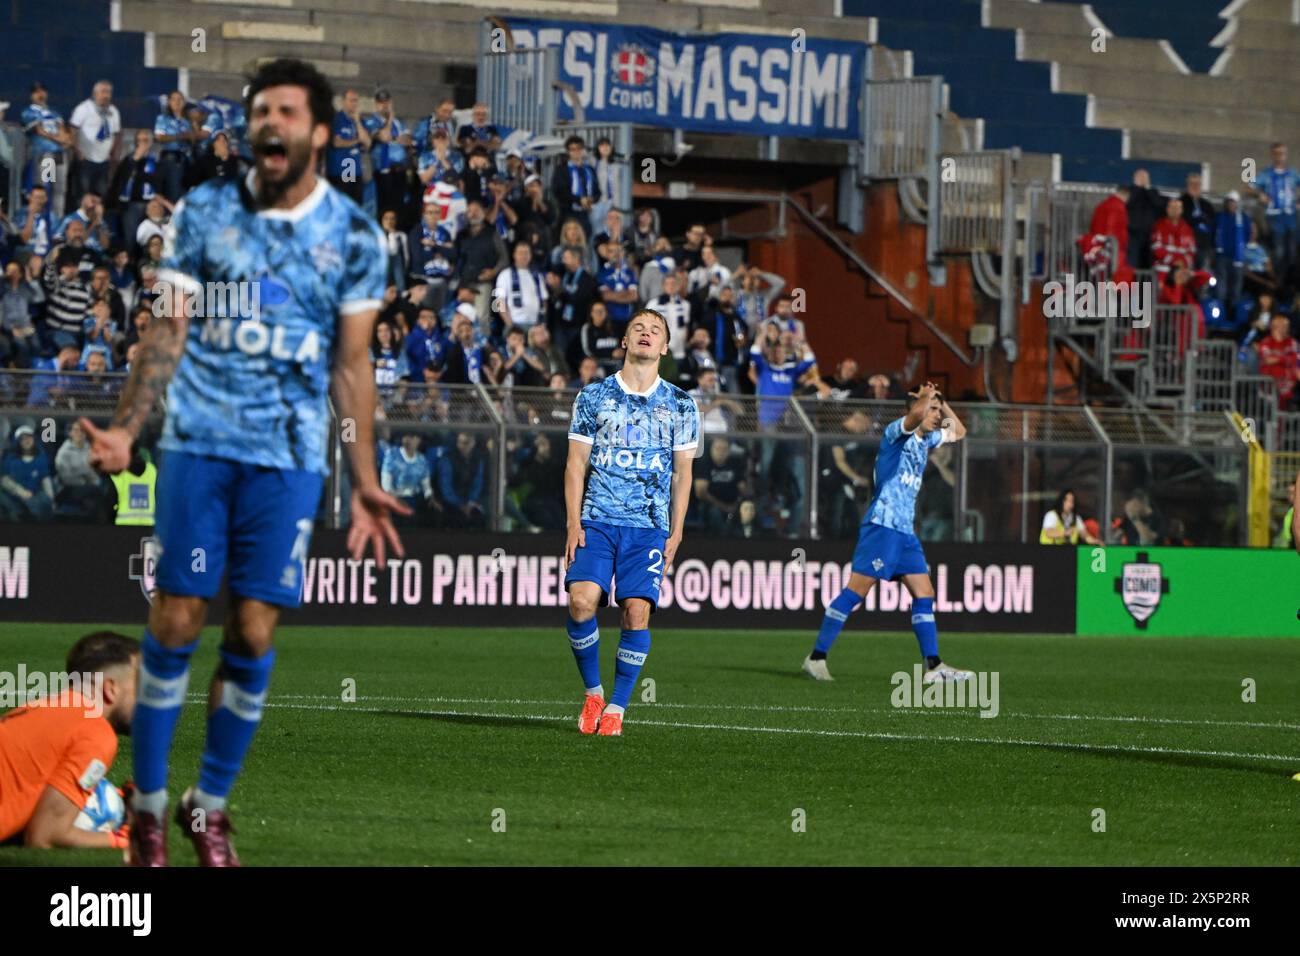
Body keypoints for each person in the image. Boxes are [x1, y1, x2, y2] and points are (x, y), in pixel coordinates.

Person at [78, 58, 410, 868]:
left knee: (255, 631)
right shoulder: (204, 215)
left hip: (290, 457)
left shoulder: (356, 237)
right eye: (261, 109)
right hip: (199, 442)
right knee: (178, 617)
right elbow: (165, 329)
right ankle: (149, 807)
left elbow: (352, 364)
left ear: (319, 132)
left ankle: (208, 805)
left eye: (287, 111)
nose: (270, 122)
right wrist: (128, 429)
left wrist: (365, 479)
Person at [563, 308, 699, 736]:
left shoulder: (680, 404)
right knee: (581, 602)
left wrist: (677, 530)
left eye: (655, 330)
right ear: (624, 342)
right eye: (638, 328)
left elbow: (683, 473)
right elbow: (574, 465)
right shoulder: (592, 397)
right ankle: (593, 694)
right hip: (597, 519)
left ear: (664, 347)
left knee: (636, 611)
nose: (646, 333)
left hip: (649, 525)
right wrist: (572, 522)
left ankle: (618, 708)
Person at [803, 383, 973, 684]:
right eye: (931, 410)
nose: (935, 415)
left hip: (904, 531)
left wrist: (942, 401)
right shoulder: (896, 434)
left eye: (936, 410)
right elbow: (917, 412)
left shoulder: (926, 441)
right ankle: (816, 657)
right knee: (856, 591)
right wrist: (926, 399)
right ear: (915, 409)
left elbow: (959, 431)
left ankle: (933, 665)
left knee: (925, 592)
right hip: (882, 525)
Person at [0, 631, 139, 849]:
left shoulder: (39, 707)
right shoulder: (96, 731)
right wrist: (127, 838)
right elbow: (44, 836)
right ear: (110, 688)